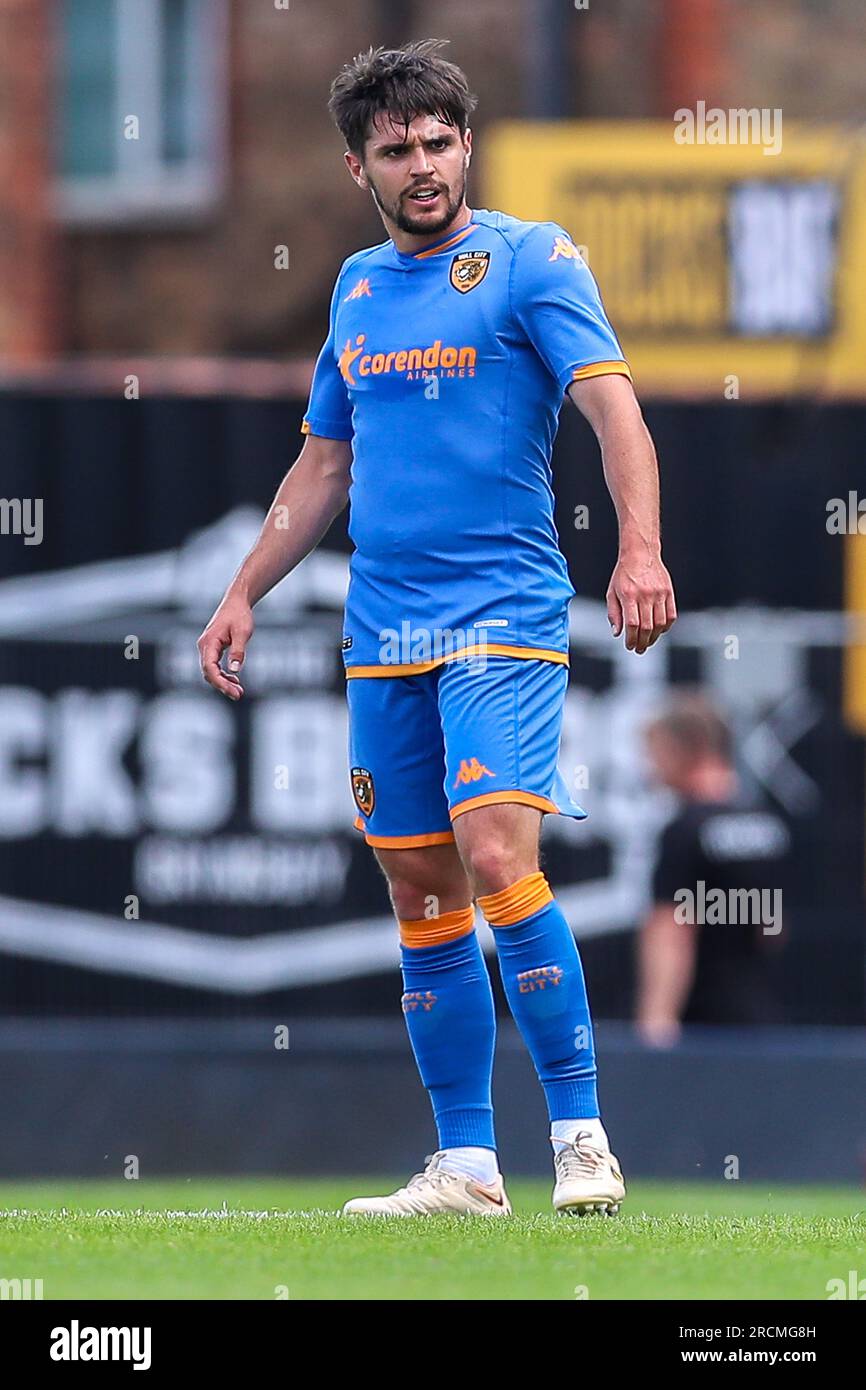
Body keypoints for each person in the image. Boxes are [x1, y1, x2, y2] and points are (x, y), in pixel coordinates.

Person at [198, 39, 676, 1216]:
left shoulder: (528, 261)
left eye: (438, 141)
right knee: (419, 893)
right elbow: (322, 466)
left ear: (465, 143)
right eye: (395, 148)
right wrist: (243, 588)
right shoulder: (357, 288)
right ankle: (465, 1162)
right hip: (383, 633)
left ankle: (579, 1137)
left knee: (498, 851)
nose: (421, 164)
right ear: (358, 163)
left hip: (502, 616)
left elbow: (615, 414)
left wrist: (640, 547)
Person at [637, 692, 790, 1047]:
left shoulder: (685, 830)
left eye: (657, 753)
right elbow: (773, 931)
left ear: (687, 748)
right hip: (758, 1016)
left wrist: (657, 1019)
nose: (651, 767)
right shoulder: (767, 827)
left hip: (698, 1024)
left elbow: (671, 929)